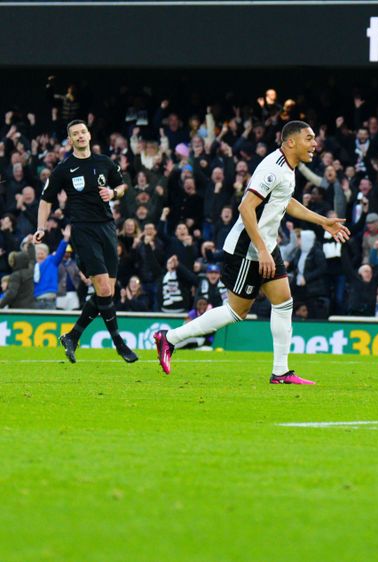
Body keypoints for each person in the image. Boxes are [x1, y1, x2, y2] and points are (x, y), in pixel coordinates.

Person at [154, 121, 350, 384]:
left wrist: (323, 220)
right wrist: (261, 250)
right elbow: (246, 208)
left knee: (284, 303)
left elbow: (285, 201)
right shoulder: (273, 168)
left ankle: (280, 371)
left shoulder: (289, 168)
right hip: (247, 249)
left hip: (265, 247)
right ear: (291, 141)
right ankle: (169, 338)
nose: (315, 144)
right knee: (236, 312)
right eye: (309, 138)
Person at [37, 120, 137, 363]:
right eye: (75, 134)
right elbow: (46, 199)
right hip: (83, 230)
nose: (80, 136)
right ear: (70, 140)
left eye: (83, 132)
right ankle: (119, 342)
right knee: (103, 289)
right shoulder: (64, 168)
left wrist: (114, 193)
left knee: (107, 293)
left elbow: (122, 186)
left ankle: (72, 336)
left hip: (107, 228)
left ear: (89, 135)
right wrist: (40, 227)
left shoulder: (104, 162)